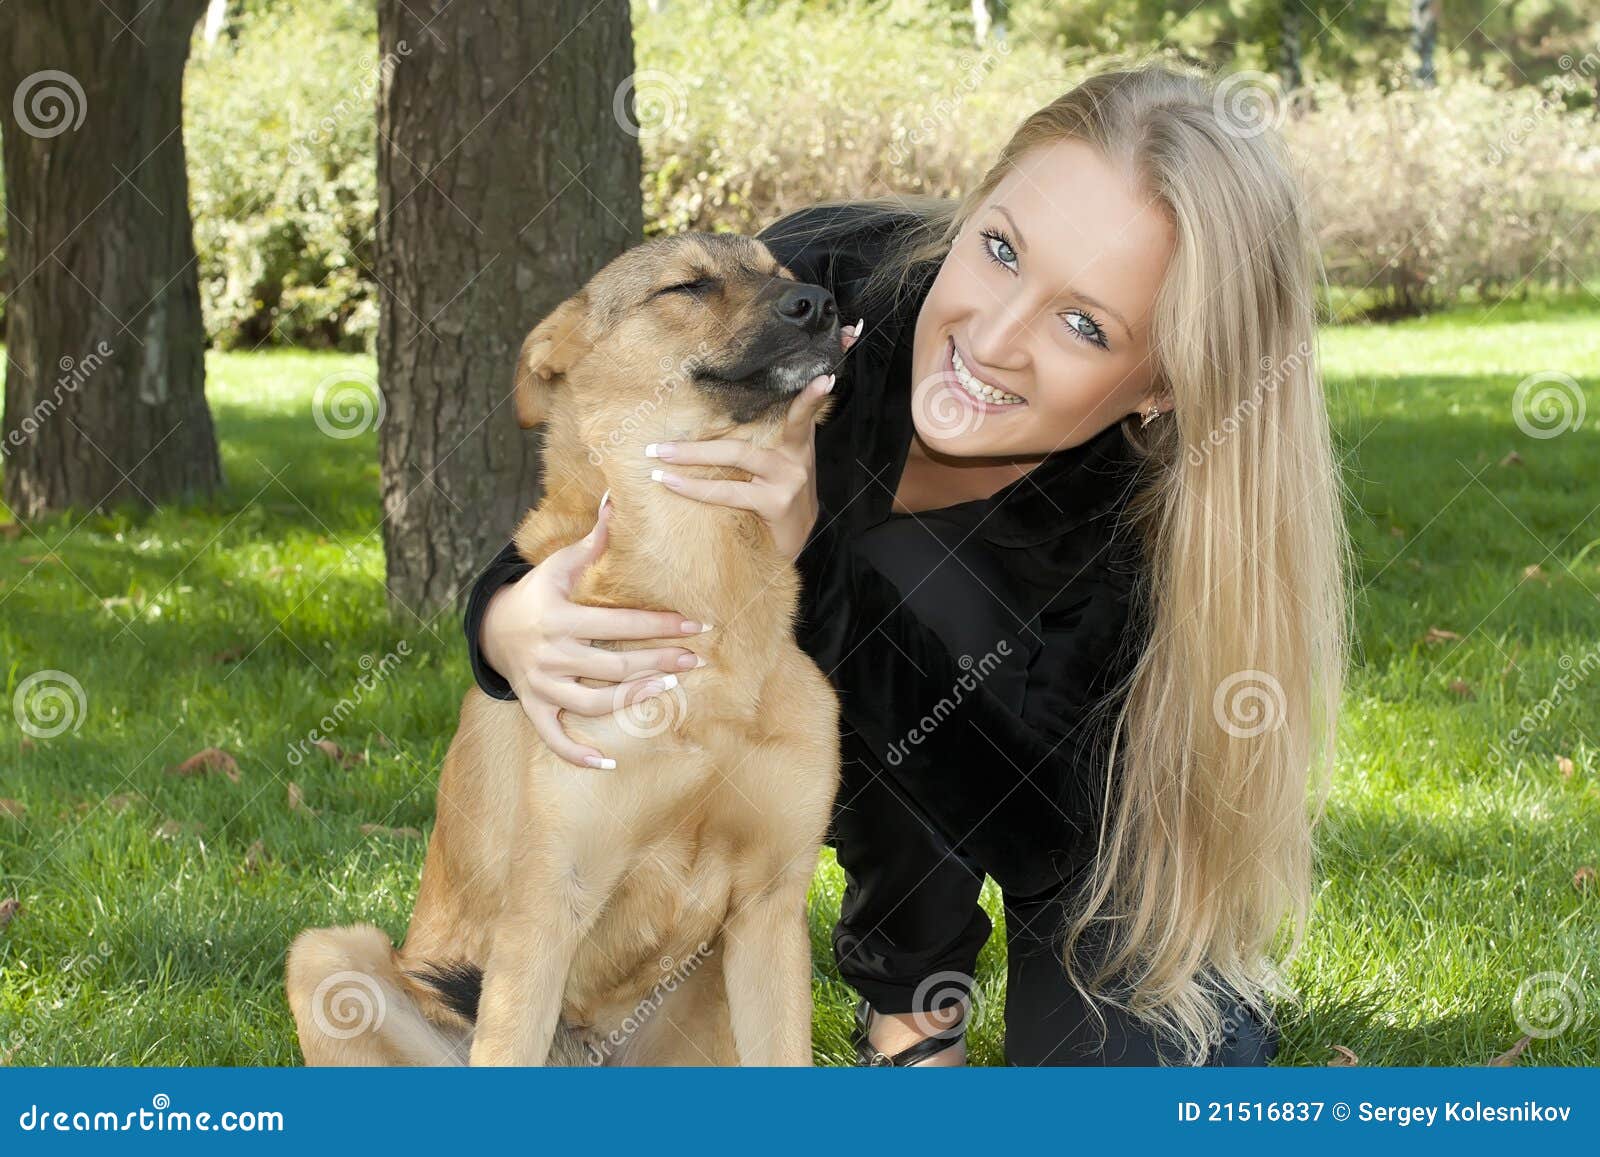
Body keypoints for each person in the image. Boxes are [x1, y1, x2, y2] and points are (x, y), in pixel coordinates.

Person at [462, 66, 1349, 1066]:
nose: (995, 339)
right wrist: (505, 623)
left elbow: (1029, 828)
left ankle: (1179, 993)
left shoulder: (1122, 544)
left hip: (1077, 827)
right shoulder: (810, 286)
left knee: (1140, 1076)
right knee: (883, 605)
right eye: (1001, 250)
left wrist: (811, 545)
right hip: (837, 734)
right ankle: (914, 1011)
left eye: (1084, 325)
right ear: (969, 212)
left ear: (1162, 389)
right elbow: (597, 466)